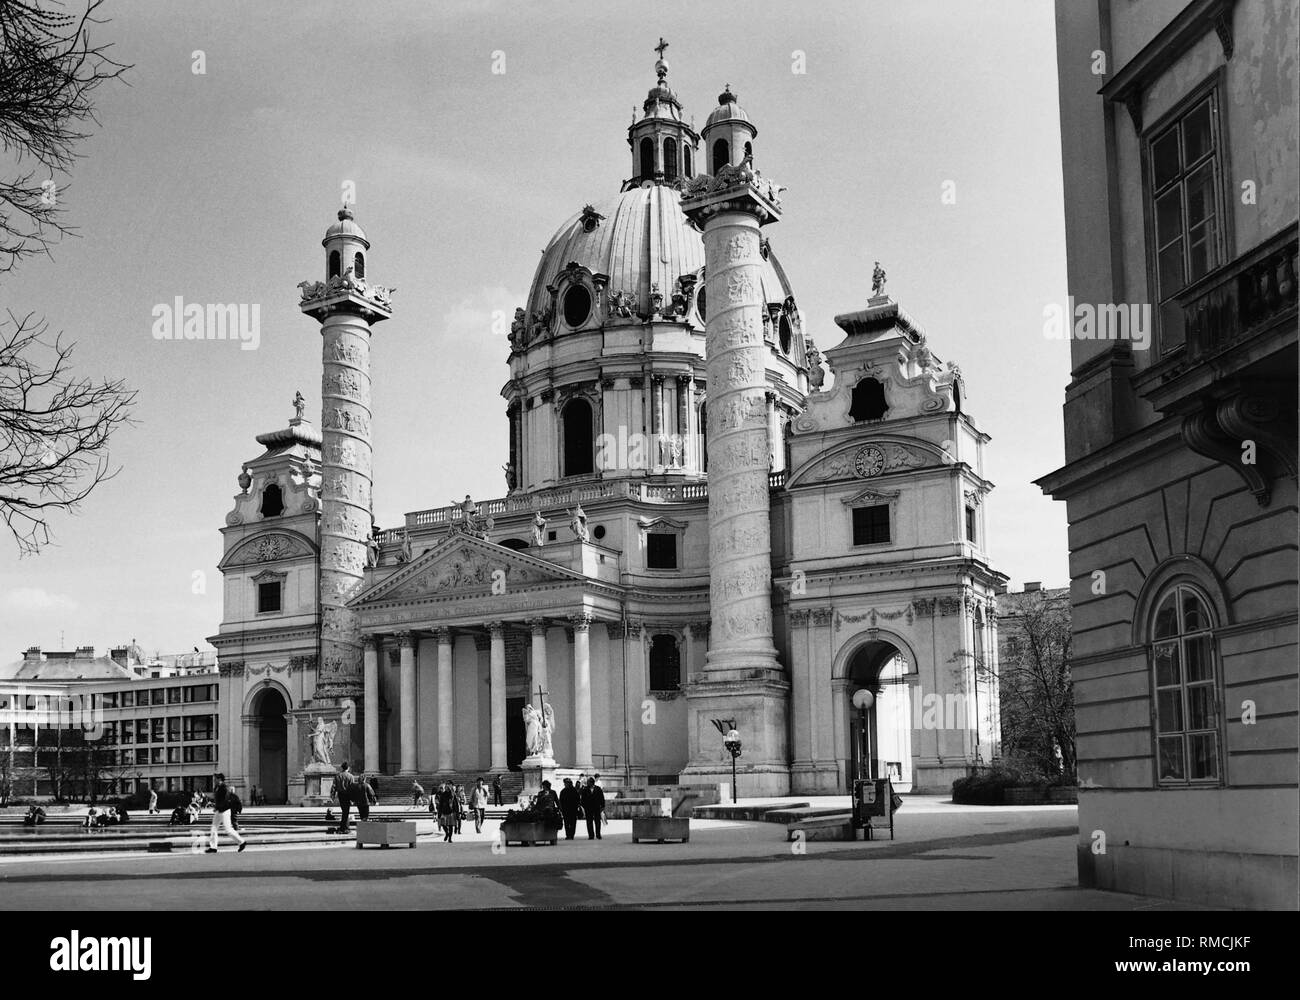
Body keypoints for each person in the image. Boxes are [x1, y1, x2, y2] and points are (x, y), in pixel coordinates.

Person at [205, 772, 247, 853]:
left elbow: (225, 800)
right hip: (219, 810)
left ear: (219, 779)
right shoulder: (217, 787)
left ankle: (242, 842)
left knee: (228, 830)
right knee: (214, 828)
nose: (214, 780)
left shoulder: (224, 788)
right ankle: (213, 847)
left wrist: (218, 806)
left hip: (225, 810)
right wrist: (216, 806)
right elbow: (218, 799)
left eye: (215, 779)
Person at [334, 762, 358, 834]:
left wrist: (333, 795)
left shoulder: (338, 776)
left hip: (341, 795)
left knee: (345, 811)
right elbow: (352, 787)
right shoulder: (351, 776)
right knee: (346, 811)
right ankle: (344, 828)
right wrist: (353, 798)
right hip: (348, 795)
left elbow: (334, 786)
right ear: (348, 768)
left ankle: (344, 827)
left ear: (342, 768)